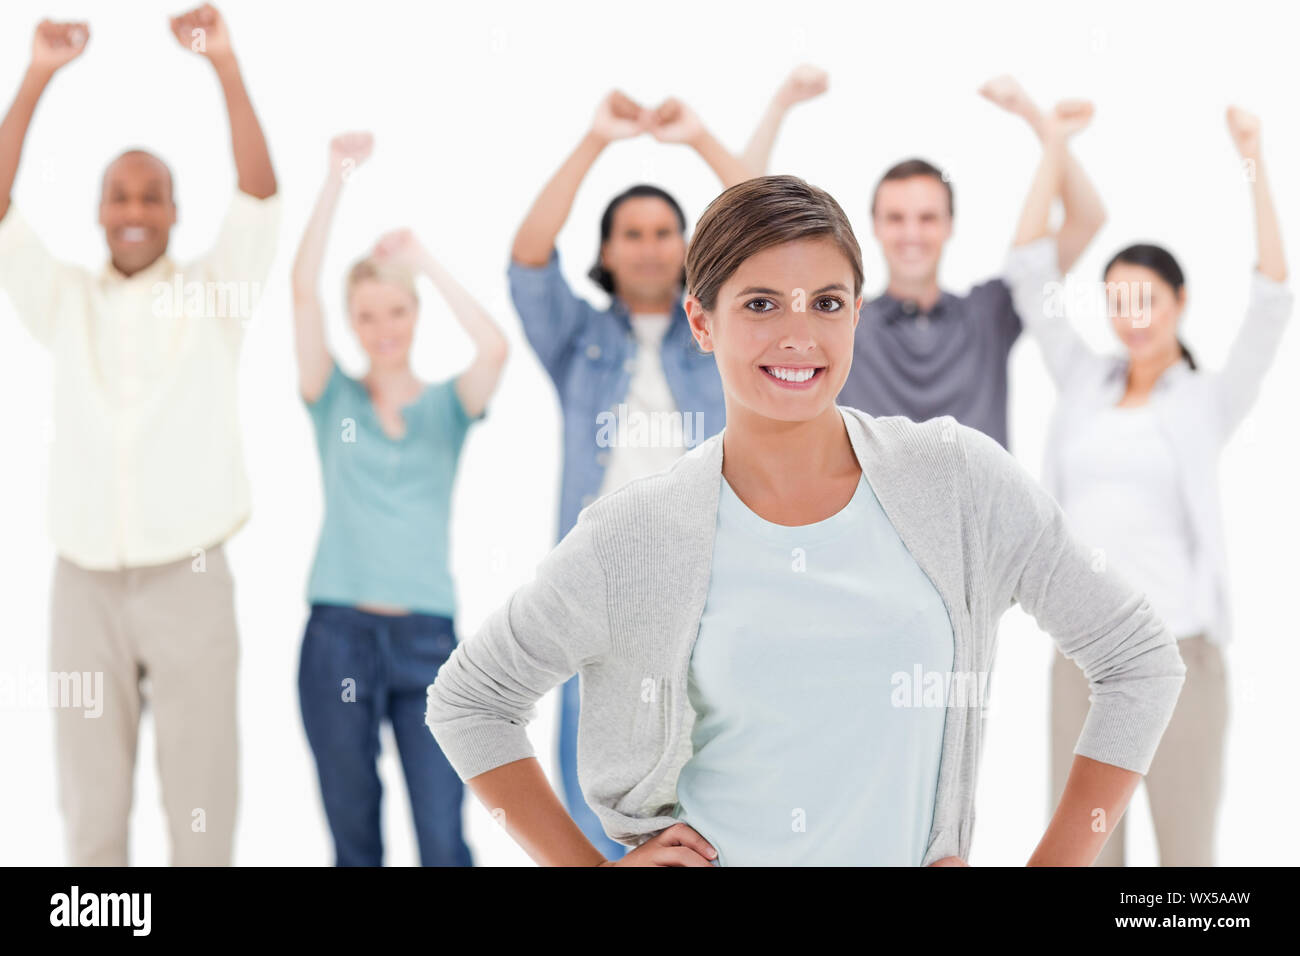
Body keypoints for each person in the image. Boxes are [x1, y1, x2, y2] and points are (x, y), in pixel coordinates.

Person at [428, 173, 1187, 866]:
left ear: (857, 311)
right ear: (701, 321)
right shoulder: (636, 534)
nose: (799, 334)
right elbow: (470, 702)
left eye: (826, 303)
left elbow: (1138, 661)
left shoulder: (956, 478)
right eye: (760, 304)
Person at [508, 76, 824, 859]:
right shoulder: (575, 341)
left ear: (690, 252)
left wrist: (698, 139)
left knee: (722, 760)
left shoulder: (717, 334)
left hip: (710, 573)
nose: (649, 245)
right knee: (601, 774)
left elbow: (768, 229)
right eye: (632, 233)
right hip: (603, 583)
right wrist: (595, 139)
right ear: (607, 252)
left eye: (664, 232)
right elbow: (527, 257)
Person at [0, 6, 279, 866]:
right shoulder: (64, 301)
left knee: (202, 805)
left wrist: (224, 64)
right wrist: (38, 73)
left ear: (173, 210)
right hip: (81, 584)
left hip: (188, 576)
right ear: (97, 211)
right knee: (91, 812)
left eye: (150, 194)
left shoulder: (214, 294)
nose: (134, 209)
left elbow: (259, 193)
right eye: (119, 194)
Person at [1005, 103, 1292, 866]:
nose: (1133, 316)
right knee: (1085, 855)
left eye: (1149, 298)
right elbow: (1028, 268)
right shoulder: (1082, 383)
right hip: (1084, 654)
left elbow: (1272, 297)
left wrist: (1254, 159)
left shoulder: (1205, 401)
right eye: (1118, 299)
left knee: (1186, 856)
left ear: (1179, 302)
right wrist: (1054, 143)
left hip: (1181, 655)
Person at [292, 131, 506, 866]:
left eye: (396, 311)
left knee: (444, 842)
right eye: (366, 316)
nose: (383, 329)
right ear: (352, 323)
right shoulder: (333, 398)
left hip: (427, 642)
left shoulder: (448, 407)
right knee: (357, 844)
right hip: (337, 639)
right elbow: (301, 290)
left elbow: (494, 348)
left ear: (414, 315)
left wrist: (422, 262)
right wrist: (334, 181)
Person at [836, 75, 1107, 450]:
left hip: (984, 510)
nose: (912, 233)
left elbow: (1085, 221)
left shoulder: (987, 313)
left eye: (927, 218)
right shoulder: (845, 323)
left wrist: (1047, 130)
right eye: (896, 218)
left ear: (949, 225)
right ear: (875, 227)